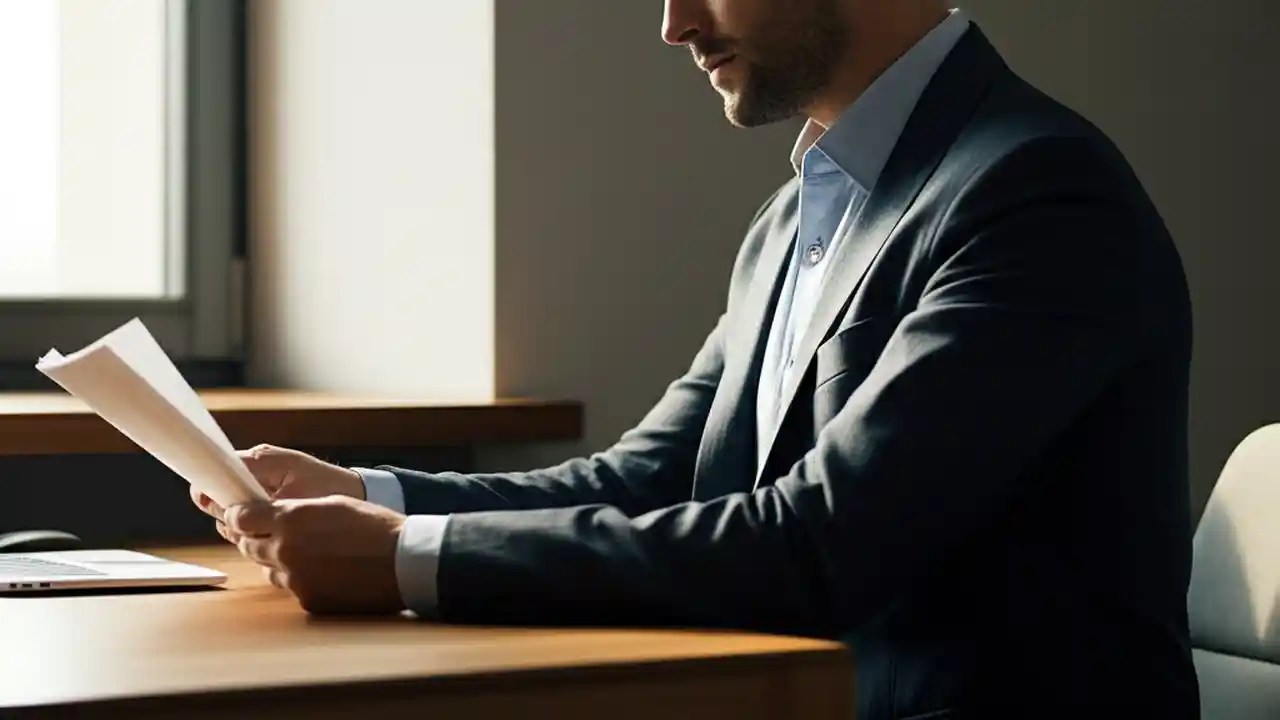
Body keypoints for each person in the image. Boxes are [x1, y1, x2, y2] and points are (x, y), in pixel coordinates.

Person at [193, 1, 1200, 716]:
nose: (673, 23)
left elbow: (824, 542)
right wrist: (378, 500)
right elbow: (649, 479)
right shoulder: (794, 217)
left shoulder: (1035, 192)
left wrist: (405, 563)